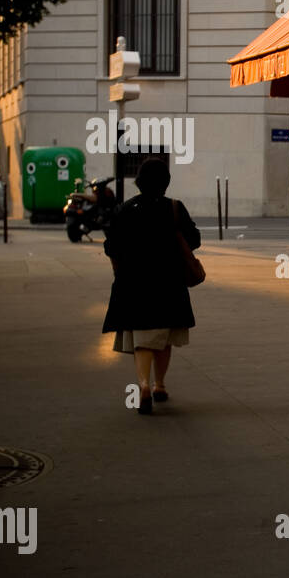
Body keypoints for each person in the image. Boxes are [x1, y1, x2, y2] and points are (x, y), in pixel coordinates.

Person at [101, 158, 201, 415]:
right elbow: (194, 240)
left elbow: (110, 246)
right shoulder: (174, 208)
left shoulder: (125, 209)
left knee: (143, 339)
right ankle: (159, 384)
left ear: (139, 181)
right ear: (166, 182)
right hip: (168, 283)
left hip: (133, 283)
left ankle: (143, 384)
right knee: (163, 337)